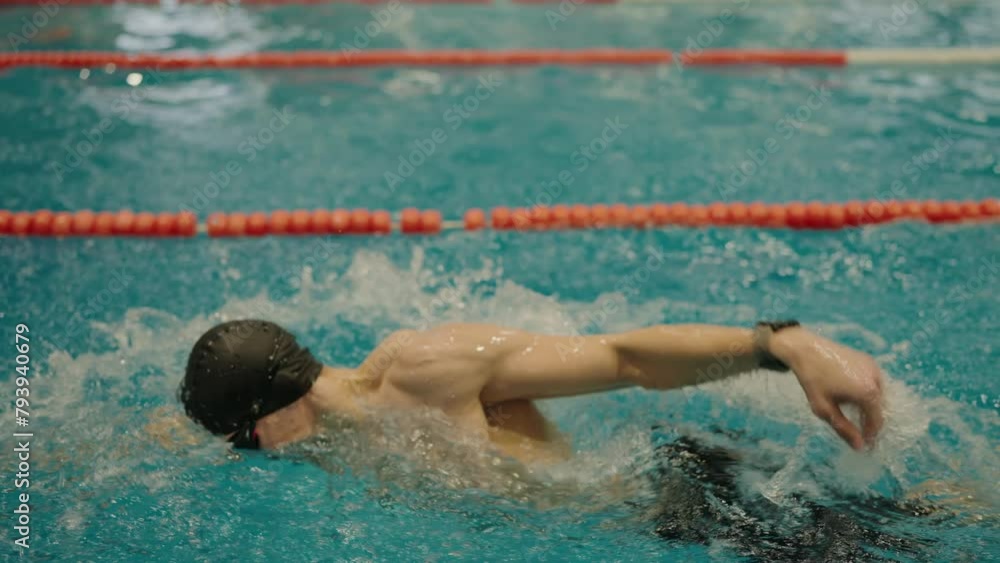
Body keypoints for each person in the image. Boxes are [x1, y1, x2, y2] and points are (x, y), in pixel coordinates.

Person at [178, 319, 883, 458]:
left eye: (243, 444)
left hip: (687, 499)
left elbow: (624, 358)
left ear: (265, 421)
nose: (254, 455)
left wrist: (780, 346)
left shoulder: (425, 368)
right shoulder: (335, 430)